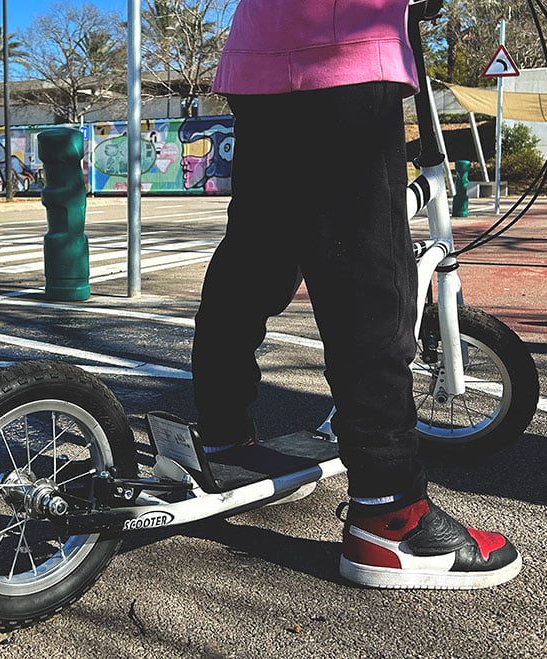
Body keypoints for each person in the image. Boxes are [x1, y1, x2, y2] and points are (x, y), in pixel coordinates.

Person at [191, 0, 521, 589]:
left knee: (257, 256)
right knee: (367, 284)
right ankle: (390, 513)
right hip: (346, 53)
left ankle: (221, 435)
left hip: (258, 58)